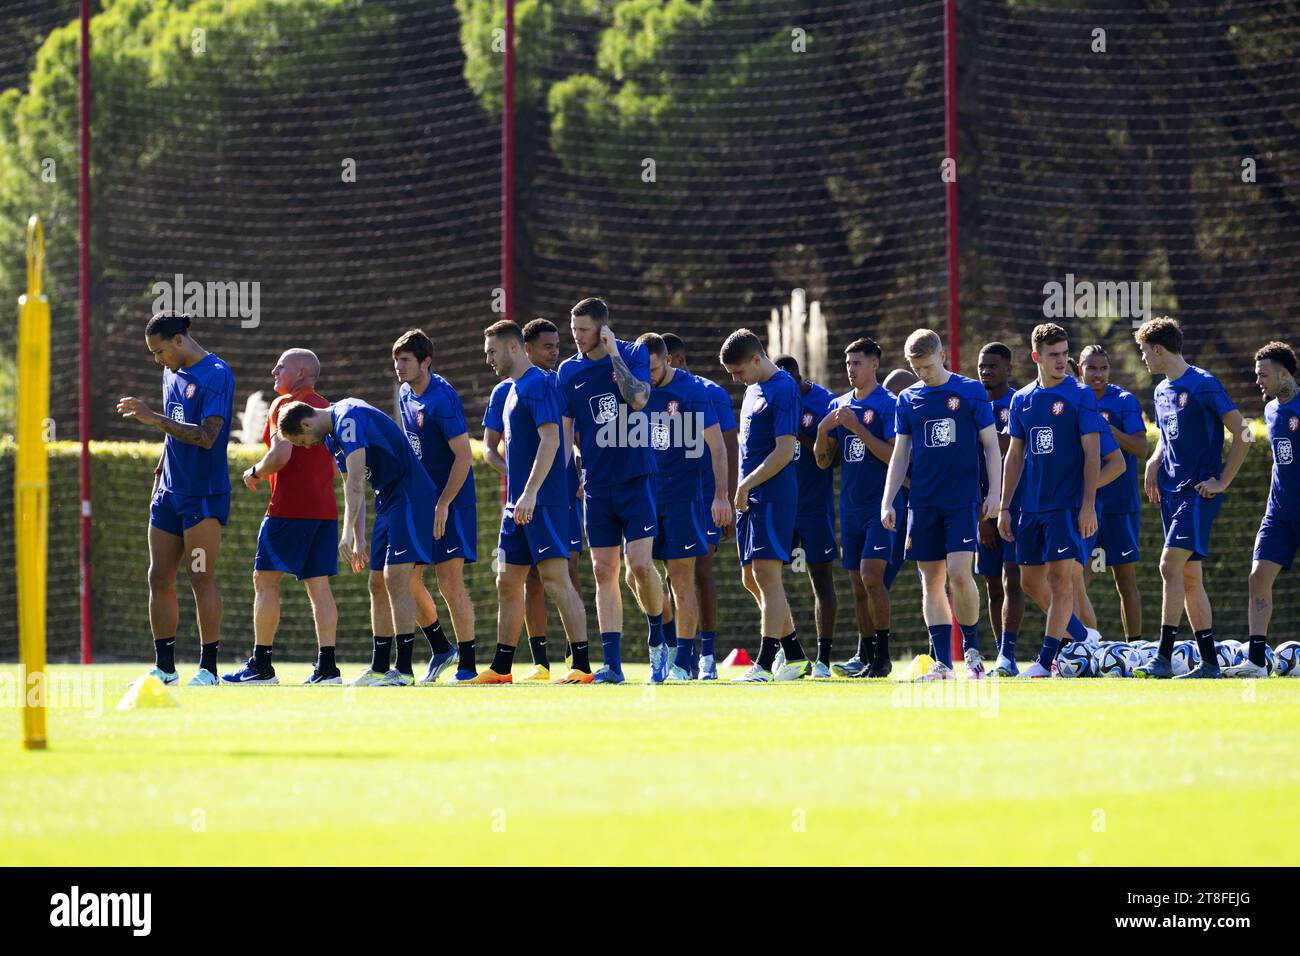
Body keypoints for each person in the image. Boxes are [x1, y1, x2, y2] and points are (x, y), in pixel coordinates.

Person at [277, 395, 436, 686]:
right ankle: (378, 667)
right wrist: (359, 536)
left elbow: (356, 483)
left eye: (300, 441)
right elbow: (352, 480)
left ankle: (403, 671)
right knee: (376, 583)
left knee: (396, 579)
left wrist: (347, 532)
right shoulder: (329, 437)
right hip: (388, 499)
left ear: (306, 422)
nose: (305, 447)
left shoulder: (347, 416)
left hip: (411, 494)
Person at [117, 312, 233, 687]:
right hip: (168, 494)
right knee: (158, 577)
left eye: (160, 350)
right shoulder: (170, 371)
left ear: (179, 340)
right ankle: (164, 668)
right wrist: (159, 472)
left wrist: (153, 418)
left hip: (203, 497)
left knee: (200, 577)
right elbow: (173, 433)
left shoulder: (217, 374)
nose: (157, 359)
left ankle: (208, 669)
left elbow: (206, 436)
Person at [880, 329, 1001, 681]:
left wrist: (995, 493)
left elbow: (992, 446)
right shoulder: (907, 399)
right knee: (930, 582)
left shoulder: (970, 392)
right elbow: (901, 453)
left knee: (961, 575)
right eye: (917, 368)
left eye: (929, 366)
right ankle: (944, 664)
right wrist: (888, 501)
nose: (924, 374)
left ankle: (974, 655)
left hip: (962, 501)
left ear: (942, 356)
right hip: (922, 503)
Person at [1132, 316, 1249, 679]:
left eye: (1143, 352)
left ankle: (1163, 657)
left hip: (1197, 493)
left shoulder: (1204, 384)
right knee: (1190, 578)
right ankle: (1210, 664)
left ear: (1158, 349)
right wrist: (1153, 458)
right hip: (1170, 492)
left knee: (1168, 566)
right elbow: (1168, 437)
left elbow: (1244, 433)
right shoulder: (1160, 391)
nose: (1142, 360)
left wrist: (1222, 481)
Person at [557, 297, 662, 684]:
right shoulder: (567, 372)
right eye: (574, 331)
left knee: (639, 566)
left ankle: (658, 638)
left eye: (583, 330)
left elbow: (638, 399)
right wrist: (565, 483)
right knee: (604, 570)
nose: (577, 337)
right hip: (597, 486)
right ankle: (613, 666)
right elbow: (566, 435)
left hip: (636, 477)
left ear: (602, 328)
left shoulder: (634, 353)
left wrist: (615, 352)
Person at [226, 348, 340, 685]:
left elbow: (280, 455)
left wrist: (254, 472)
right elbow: (336, 462)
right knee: (319, 587)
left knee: (265, 581)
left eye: (282, 365)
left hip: (289, 509)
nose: (274, 370)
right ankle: (328, 669)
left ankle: (261, 666)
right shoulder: (329, 407)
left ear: (303, 372)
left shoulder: (286, 405)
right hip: (325, 511)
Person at [998, 324, 1105, 679]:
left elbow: (1093, 455)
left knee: (1061, 580)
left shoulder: (1081, 395)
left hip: (1067, 505)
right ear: (1036, 357)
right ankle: (1083, 637)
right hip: (1031, 507)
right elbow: (1014, 457)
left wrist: (1088, 504)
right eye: (1053, 355)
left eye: (1064, 353)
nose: (1062, 361)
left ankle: (1046, 662)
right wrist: (1003, 508)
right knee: (1029, 583)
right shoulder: (1021, 399)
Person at [483, 318, 584, 681]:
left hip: (544, 503)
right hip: (517, 507)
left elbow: (552, 440)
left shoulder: (539, 384)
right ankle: (502, 668)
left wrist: (529, 491)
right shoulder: (506, 391)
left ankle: (582, 667)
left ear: (513, 347)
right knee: (507, 582)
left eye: (492, 351)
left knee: (556, 579)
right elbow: (493, 452)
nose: (489, 359)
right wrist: (515, 485)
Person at [637, 333, 732, 681]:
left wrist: (721, 496)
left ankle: (684, 661)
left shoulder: (693, 391)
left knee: (682, 577)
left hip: (683, 498)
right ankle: (664, 642)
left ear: (668, 361)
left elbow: (718, 447)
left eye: (652, 368)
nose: (646, 376)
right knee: (636, 573)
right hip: (643, 497)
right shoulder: (634, 390)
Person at [719, 329, 811, 681]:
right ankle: (795, 655)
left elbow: (785, 451)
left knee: (767, 576)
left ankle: (763, 663)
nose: (737, 379)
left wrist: (745, 484)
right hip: (752, 497)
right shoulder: (753, 389)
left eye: (739, 371)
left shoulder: (783, 388)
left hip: (773, 495)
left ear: (756, 359)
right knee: (750, 577)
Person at [813, 339, 904, 678]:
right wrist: (824, 429)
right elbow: (824, 462)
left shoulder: (888, 405)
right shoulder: (838, 405)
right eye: (847, 363)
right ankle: (867, 655)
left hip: (882, 506)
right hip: (849, 508)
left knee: (871, 576)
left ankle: (883, 656)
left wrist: (858, 429)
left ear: (874, 364)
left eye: (857, 363)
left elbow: (895, 457)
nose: (851, 369)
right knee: (856, 583)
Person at [393, 329, 478, 684]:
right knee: (404, 579)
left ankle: (468, 664)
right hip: (421, 503)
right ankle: (441, 647)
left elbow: (464, 456)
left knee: (449, 581)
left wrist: (443, 503)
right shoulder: (404, 393)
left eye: (406, 360)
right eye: (396, 360)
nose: (399, 367)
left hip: (452, 503)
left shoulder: (442, 399)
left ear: (425, 362)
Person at [663, 332, 738, 679]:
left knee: (700, 570)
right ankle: (680, 652)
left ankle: (706, 655)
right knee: (665, 574)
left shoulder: (710, 392)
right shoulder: (650, 393)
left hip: (704, 498)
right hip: (666, 497)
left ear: (675, 360)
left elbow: (727, 447)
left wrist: (728, 498)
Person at [1225, 341, 1298, 677]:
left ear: (1284, 373)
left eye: (1263, 375)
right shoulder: (1270, 411)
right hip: (1279, 514)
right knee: (1257, 577)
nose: (1258, 382)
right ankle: (1255, 661)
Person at [772, 354, 838, 678]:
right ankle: (787, 650)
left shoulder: (825, 401)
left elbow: (830, 460)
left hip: (814, 507)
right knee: (767, 577)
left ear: (798, 376)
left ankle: (823, 660)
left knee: (821, 580)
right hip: (780, 505)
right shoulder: (769, 397)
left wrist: (803, 433)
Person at [1078, 344, 1147, 644]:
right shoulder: (1073, 399)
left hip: (1120, 506)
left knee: (1125, 579)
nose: (1098, 374)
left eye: (1103, 368)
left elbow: (1141, 448)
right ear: (1079, 369)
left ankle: (1136, 646)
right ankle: (1080, 645)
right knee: (1080, 577)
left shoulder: (1124, 401)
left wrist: (1106, 429)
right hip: (1085, 506)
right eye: (1091, 368)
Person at [974, 343, 1025, 677]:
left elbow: (1013, 448)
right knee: (992, 584)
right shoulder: (973, 404)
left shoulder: (1020, 402)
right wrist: (983, 517)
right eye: (981, 366)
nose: (986, 372)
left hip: (1017, 506)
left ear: (1008, 368)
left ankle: (1009, 654)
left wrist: (991, 436)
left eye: (992, 366)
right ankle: (1000, 657)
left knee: (1014, 580)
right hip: (983, 509)